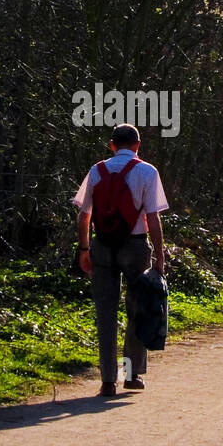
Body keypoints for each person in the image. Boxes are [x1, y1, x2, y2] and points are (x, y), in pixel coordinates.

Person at [72, 124, 168, 397]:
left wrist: (84, 249)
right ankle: (132, 374)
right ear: (138, 145)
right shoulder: (147, 171)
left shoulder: (96, 170)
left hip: (101, 246)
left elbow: (83, 216)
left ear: (111, 144)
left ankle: (106, 380)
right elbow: (153, 218)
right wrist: (160, 256)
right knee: (137, 308)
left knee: (106, 313)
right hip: (135, 247)